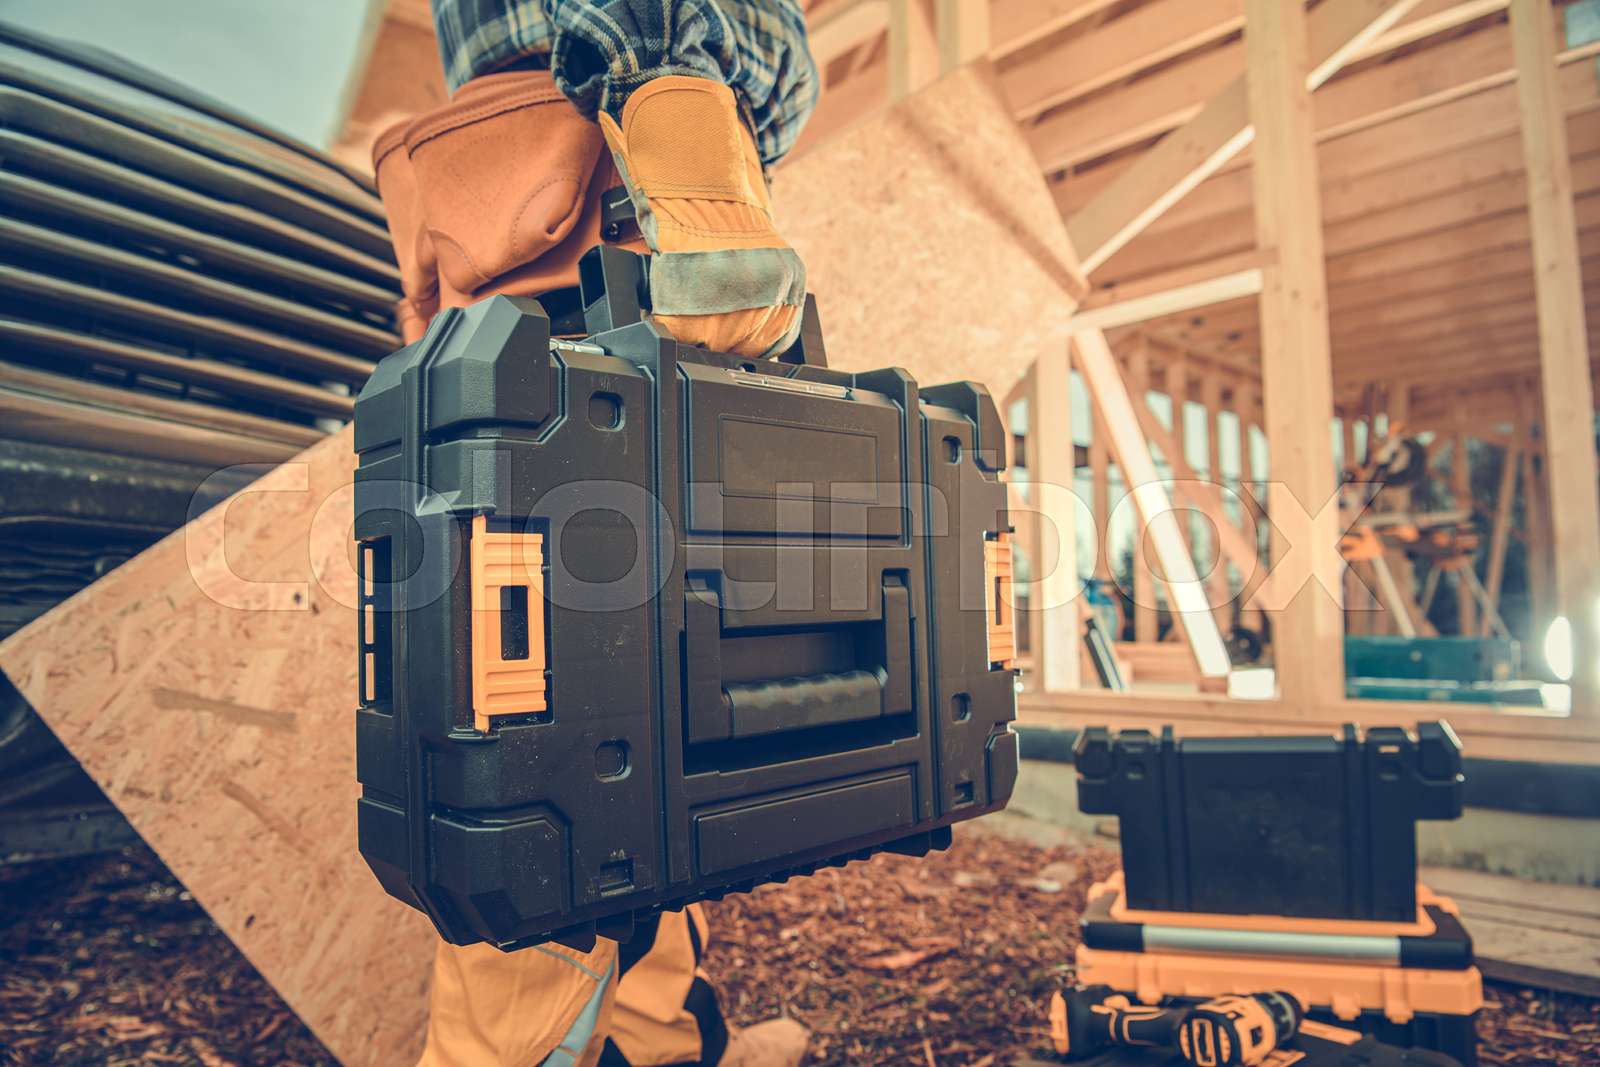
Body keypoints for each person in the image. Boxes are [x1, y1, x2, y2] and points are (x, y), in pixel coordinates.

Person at [368, 3, 819, 1065]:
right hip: (618, 189)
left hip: (568, 201)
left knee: (649, 721)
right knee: (543, 746)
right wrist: (689, 151)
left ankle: (650, 1039)